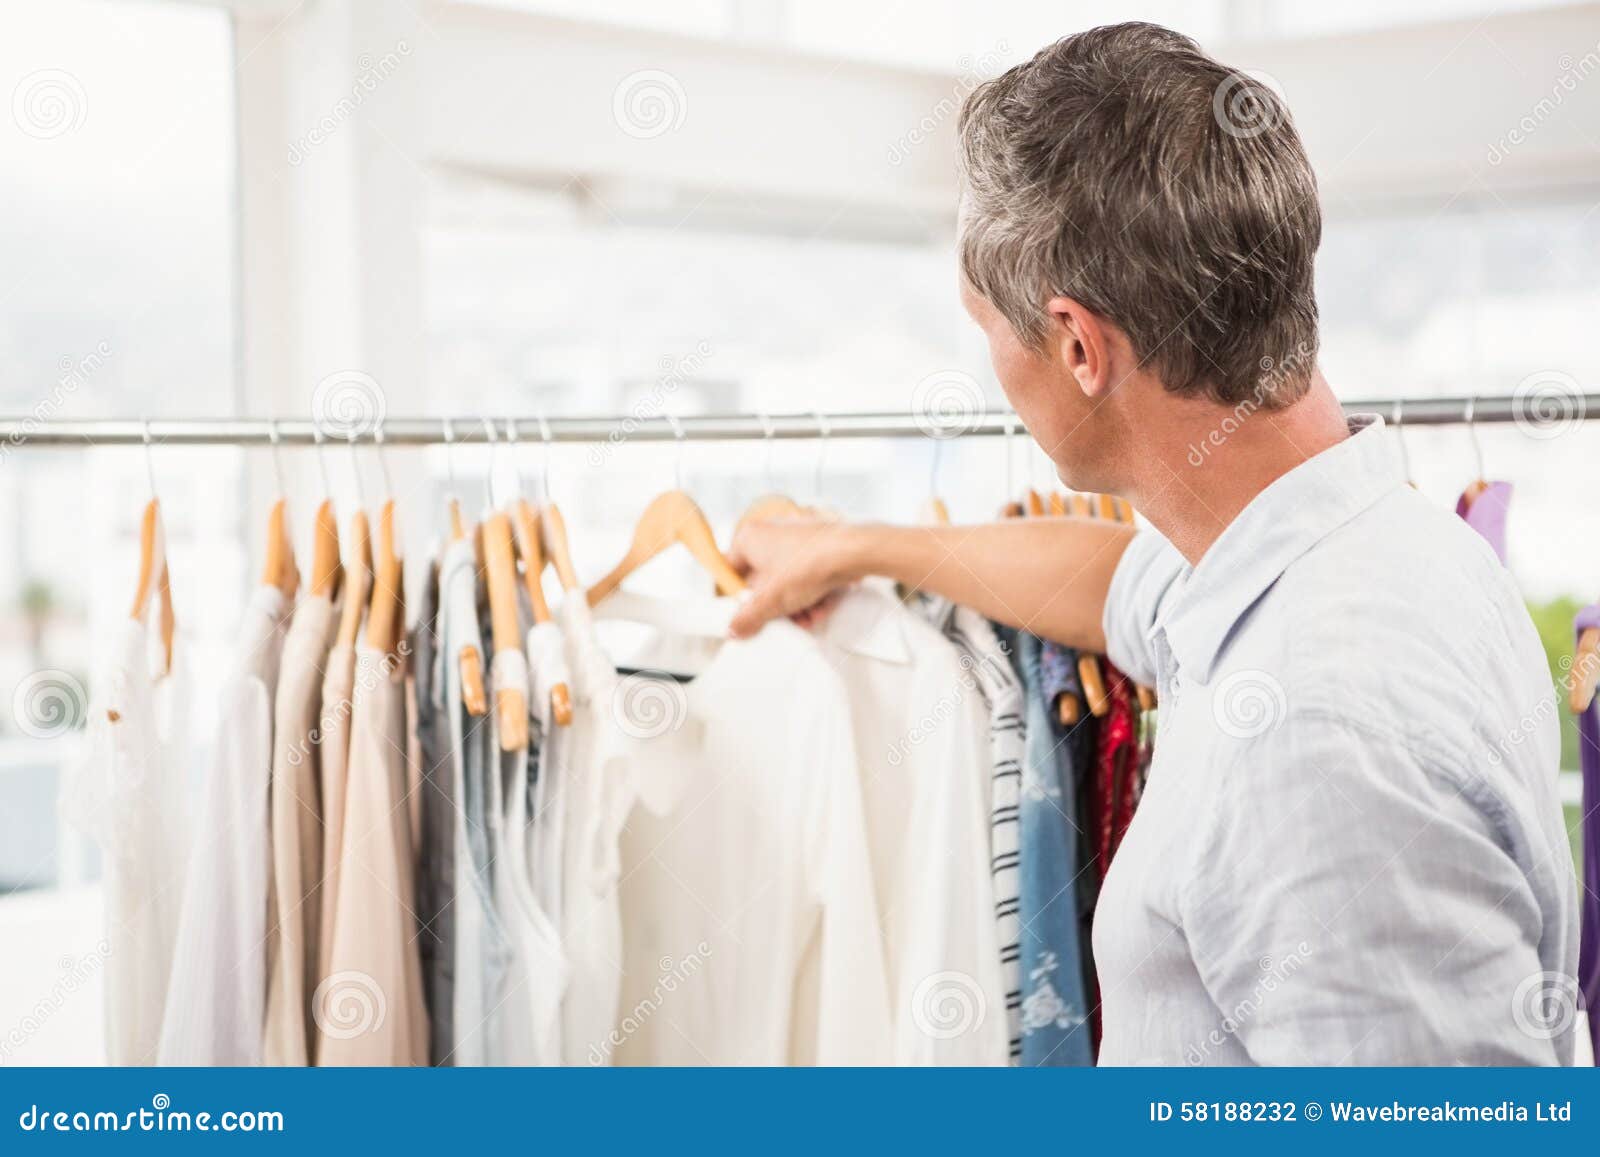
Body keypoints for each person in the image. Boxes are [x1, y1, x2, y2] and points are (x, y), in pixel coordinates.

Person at [727, 22, 1578, 1065]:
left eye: (986, 324)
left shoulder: (1315, 733)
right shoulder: (1343, 549)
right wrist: (854, 544)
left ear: (1078, 345)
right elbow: (1119, 583)